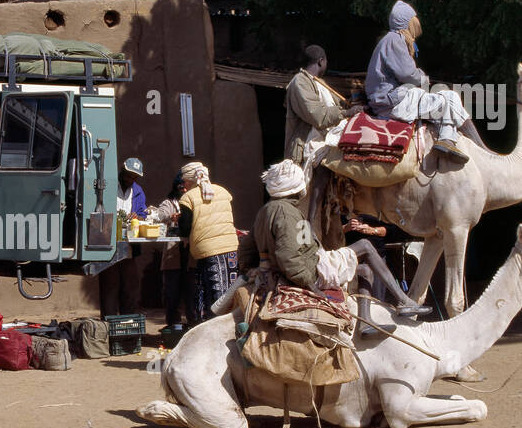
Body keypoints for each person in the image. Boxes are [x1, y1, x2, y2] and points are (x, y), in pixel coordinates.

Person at [253, 160, 429, 327]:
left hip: (313, 261)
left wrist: (249, 268)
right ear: (296, 188)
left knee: (365, 270)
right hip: (314, 270)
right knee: (366, 245)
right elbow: (289, 257)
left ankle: (366, 322)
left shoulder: (267, 211)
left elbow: (253, 247)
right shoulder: (287, 213)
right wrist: (311, 286)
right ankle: (403, 300)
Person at [365, 0, 471, 163]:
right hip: (392, 101)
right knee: (450, 98)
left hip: (390, 99)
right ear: (406, 22)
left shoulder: (391, 40)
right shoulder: (394, 39)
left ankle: (447, 140)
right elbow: (407, 74)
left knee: (447, 99)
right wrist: (424, 78)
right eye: (414, 19)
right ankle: (458, 142)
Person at [176, 161, 239, 321]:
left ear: (189, 180)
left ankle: (211, 327)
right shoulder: (223, 192)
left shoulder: (187, 197)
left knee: (213, 295)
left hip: (207, 250)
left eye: (184, 181)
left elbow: (185, 229)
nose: (183, 184)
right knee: (230, 292)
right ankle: (232, 326)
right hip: (231, 247)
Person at [145, 174, 196, 332]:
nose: (183, 189)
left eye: (185, 186)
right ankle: (173, 324)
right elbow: (158, 216)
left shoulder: (195, 201)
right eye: (180, 186)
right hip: (173, 254)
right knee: (172, 292)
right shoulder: (169, 203)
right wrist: (171, 217)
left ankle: (193, 323)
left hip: (191, 252)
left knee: (191, 291)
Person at [100, 157, 149, 317]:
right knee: (110, 286)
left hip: (129, 247)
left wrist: (138, 217)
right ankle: (109, 323)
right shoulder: (108, 185)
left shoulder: (138, 190)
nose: (130, 180)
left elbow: (143, 213)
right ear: (122, 171)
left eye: (134, 177)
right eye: (128, 176)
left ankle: (127, 323)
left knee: (129, 286)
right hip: (109, 244)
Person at [284, 44, 345, 165]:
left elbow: (337, 106)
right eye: (326, 62)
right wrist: (346, 112)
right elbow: (317, 115)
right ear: (321, 61)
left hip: (325, 143)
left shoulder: (320, 83)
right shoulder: (300, 82)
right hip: (306, 147)